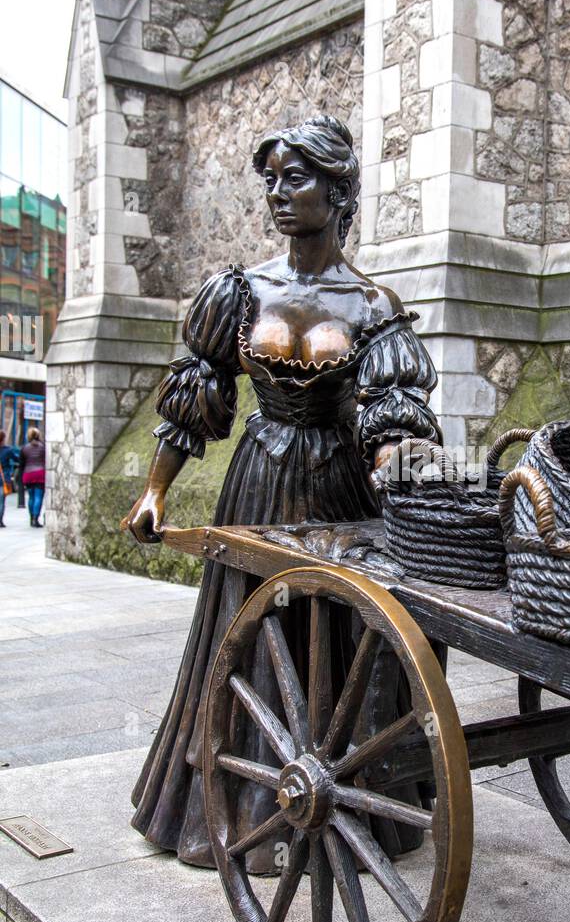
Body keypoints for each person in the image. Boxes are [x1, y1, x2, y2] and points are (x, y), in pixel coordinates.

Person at [122, 114, 440, 871]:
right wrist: (155, 492)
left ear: (338, 192)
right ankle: (235, 807)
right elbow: (193, 399)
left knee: (337, 638)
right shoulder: (240, 291)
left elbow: (395, 418)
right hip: (259, 478)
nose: (277, 193)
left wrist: (408, 473)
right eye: (271, 179)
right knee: (248, 637)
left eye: (295, 178)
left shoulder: (372, 303)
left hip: (339, 486)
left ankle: (342, 797)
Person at [18, 427, 46, 527]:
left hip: (28, 474)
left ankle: (31, 518)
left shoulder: (24, 448)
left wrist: (20, 478)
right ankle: (35, 518)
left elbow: (21, 464)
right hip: (40, 473)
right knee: (38, 496)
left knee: (31, 497)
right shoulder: (43, 447)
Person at [0, 431, 20, 528]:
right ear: (3, 439)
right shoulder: (8, 450)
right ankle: (0, 520)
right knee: (1, 501)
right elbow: (17, 459)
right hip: (3, 478)